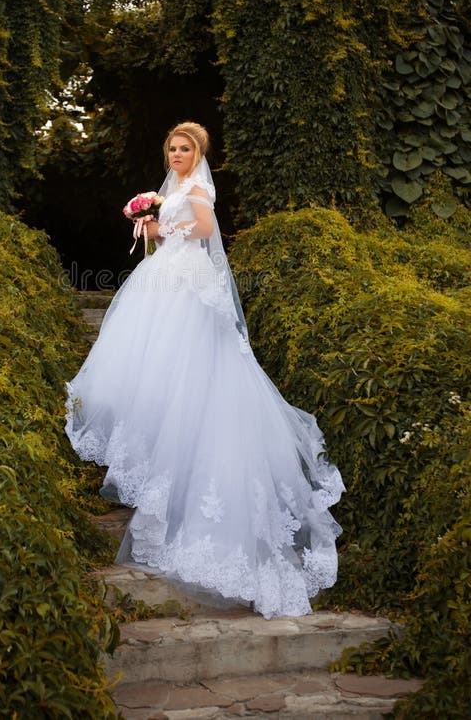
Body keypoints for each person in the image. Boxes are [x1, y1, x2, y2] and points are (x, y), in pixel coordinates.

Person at [65, 122, 344, 619]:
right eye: (171, 147)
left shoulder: (196, 186)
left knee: (187, 368)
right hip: (165, 277)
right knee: (153, 372)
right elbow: (175, 230)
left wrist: (161, 226)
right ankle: (156, 454)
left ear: (198, 153)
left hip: (187, 286)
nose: (176, 154)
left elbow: (205, 230)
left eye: (184, 148)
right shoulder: (171, 187)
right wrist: (150, 224)